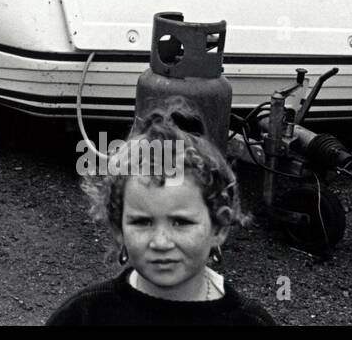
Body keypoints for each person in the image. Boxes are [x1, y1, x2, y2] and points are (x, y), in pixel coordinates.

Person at [47, 109, 276, 325]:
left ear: (218, 227)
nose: (161, 242)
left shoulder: (248, 322)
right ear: (119, 229)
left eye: (181, 222)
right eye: (142, 222)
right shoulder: (84, 316)